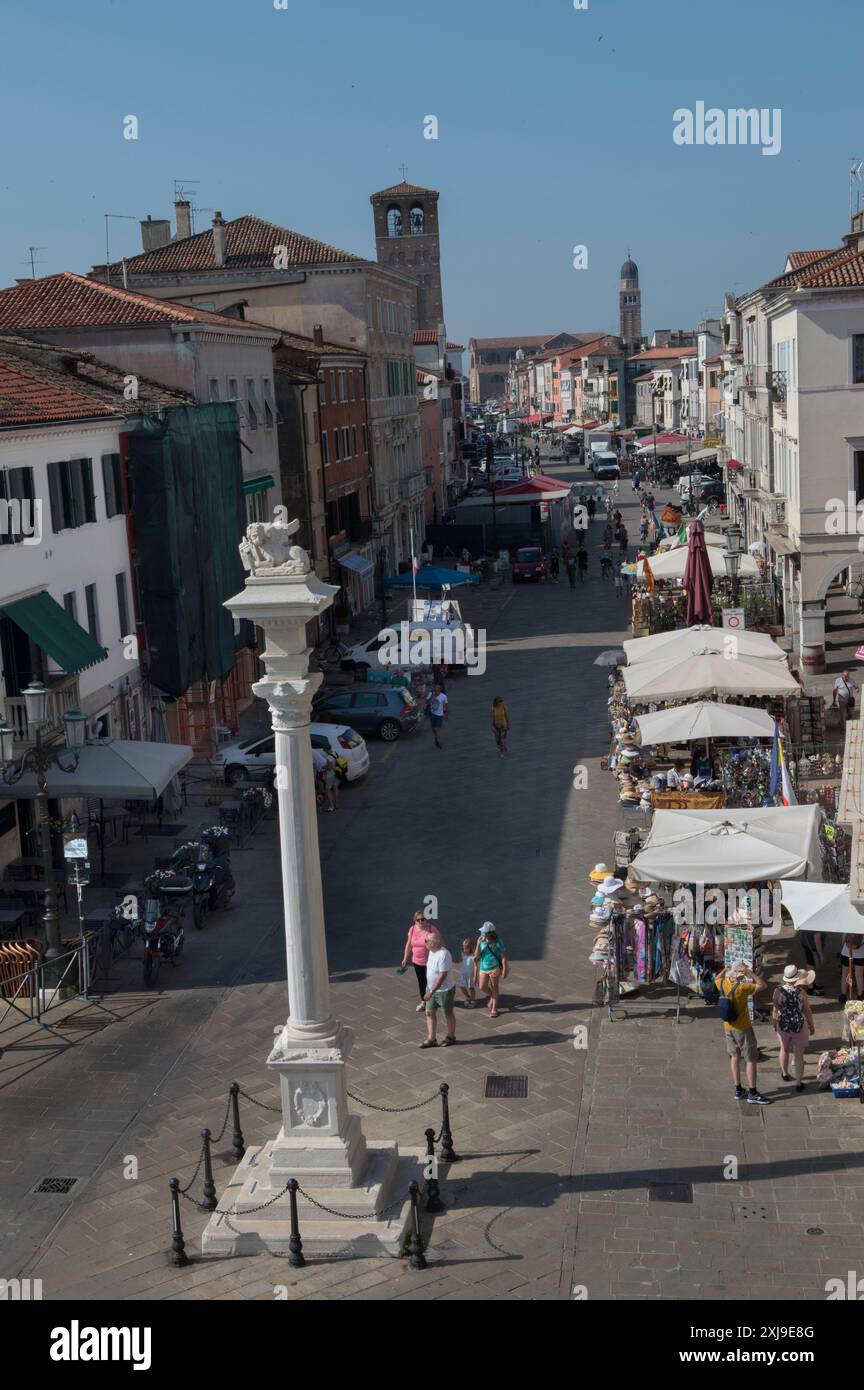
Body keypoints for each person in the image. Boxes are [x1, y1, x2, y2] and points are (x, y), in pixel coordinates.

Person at [714, 960, 772, 1104]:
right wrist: (749, 973)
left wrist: (726, 969)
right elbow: (763, 985)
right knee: (751, 1059)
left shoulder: (722, 983)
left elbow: (717, 978)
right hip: (743, 1028)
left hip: (728, 1027)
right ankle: (752, 1092)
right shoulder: (743, 987)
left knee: (734, 1056)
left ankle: (738, 1089)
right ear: (741, 972)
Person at [772, 964, 815, 1091]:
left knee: (784, 1049)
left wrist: (775, 1024)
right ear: (797, 978)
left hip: (783, 1025)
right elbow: (807, 1011)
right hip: (799, 1026)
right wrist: (811, 1026)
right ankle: (798, 1083)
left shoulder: (777, 991)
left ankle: (785, 1074)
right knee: (798, 1055)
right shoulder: (802, 993)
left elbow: (775, 1009)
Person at [420, 928, 456, 1047]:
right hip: (431, 988)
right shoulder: (432, 951)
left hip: (444, 991)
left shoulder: (443, 955)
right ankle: (432, 1039)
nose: (425, 942)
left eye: (427, 941)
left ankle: (451, 1037)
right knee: (429, 1012)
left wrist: (431, 991)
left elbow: (442, 976)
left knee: (448, 1013)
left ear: (435, 943)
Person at [473, 921, 509, 1018]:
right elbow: (476, 956)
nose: (482, 933)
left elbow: (503, 956)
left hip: (494, 968)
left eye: (484, 932)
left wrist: (505, 969)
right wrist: (477, 944)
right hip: (483, 968)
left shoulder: (498, 941)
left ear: (490, 933)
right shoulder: (481, 940)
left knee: (495, 987)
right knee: (482, 986)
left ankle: (494, 1009)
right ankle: (493, 996)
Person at [401, 910, 431, 1009]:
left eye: (423, 919)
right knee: (421, 982)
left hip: (430, 962)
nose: (421, 922)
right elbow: (409, 945)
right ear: (415, 921)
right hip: (417, 961)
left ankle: (433, 1000)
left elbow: (440, 941)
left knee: (430, 981)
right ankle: (424, 1001)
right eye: (418, 920)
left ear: (426, 920)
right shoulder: (412, 929)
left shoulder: (431, 929)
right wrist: (405, 958)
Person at [312, 745, 337, 812]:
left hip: (328, 774)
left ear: (326, 749)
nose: (323, 751)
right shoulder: (334, 753)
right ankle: (335, 804)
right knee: (334, 787)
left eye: (324, 750)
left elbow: (329, 767)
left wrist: (323, 768)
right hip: (333, 774)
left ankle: (331, 806)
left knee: (327, 790)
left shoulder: (328, 758)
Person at [840, 933, 864, 1002]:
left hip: (846, 952)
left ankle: (843, 995)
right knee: (859, 975)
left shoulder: (848, 923)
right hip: (861, 954)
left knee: (845, 974)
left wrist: (844, 946)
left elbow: (843, 938)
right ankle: (860, 996)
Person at [426, 684, 448, 748]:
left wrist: (446, 714)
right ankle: (436, 738)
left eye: (437, 691)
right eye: (435, 690)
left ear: (440, 690)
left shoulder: (443, 696)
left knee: (436, 728)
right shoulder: (431, 695)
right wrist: (431, 697)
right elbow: (426, 702)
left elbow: (446, 705)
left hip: (440, 714)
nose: (436, 692)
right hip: (432, 713)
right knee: (433, 728)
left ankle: (438, 741)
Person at [458, 937, 477, 1007]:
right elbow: (460, 961)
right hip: (463, 974)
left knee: (471, 988)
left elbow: (475, 966)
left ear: (471, 948)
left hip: (470, 975)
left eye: (466, 948)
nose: (464, 950)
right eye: (463, 948)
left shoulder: (473, 956)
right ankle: (468, 997)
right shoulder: (463, 954)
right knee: (461, 986)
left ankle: (473, 1000)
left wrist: (475, 975)